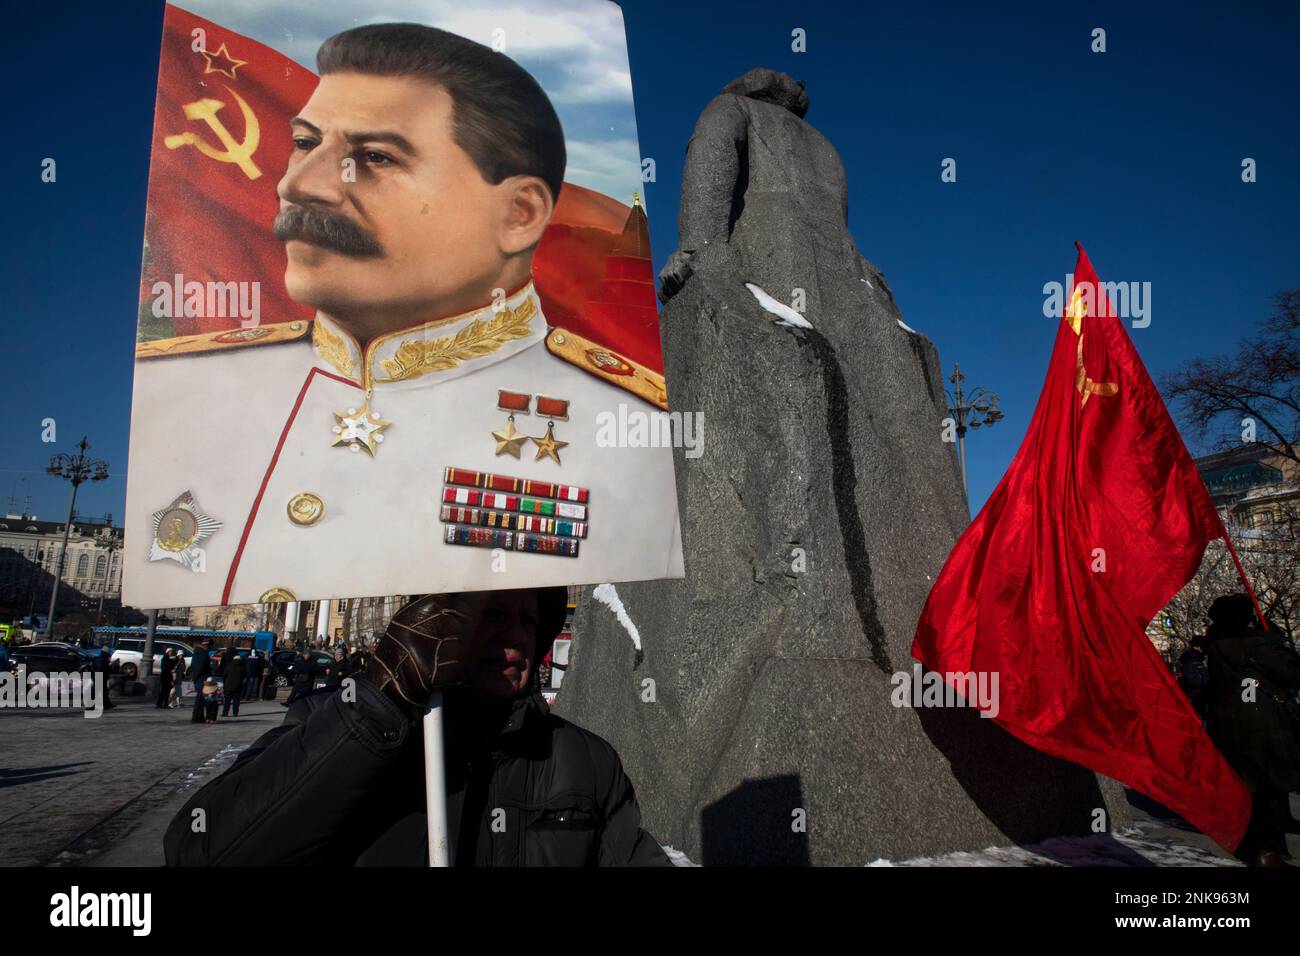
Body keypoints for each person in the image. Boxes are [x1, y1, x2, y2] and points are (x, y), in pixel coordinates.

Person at [123, 21, 680, 611]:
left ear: (519, 214)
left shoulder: (627, 430)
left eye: (374, 156)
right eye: (306, 143)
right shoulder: (173, 387)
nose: (298, 184)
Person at [164, 587, 669, 866]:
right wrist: (381, 703)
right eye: (491, 613)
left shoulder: (584, 759)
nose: (514, 635)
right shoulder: (336, 724)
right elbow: (205, 851)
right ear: (437, 624)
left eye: (527, 620)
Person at [1202, 593, 1300, 867]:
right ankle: (1267, 852)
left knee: (1251, 789)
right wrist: (1275, 640)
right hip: (1264, 728)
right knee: (1269, 791)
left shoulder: (1217, 646)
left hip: (1229, 728)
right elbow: (1292, 673)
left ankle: (1268, 848)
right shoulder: (1257, 645)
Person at [1178, 634, 1210, 717]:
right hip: (1197, 699)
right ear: (1196, 646)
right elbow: (1191, 680)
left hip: (1201, 698)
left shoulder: (1198, 659)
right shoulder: (1189, 660)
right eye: (1203, 646)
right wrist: (1208, 681)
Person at [188, 640, 212, 724]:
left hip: (199, 679)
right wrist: (195, 677)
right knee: (200, 700)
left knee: (201, 699)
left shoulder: (197, 652)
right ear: (206, 646)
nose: (210, 648)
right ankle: (196, 717)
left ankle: (200, 717)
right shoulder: (203, 654)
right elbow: (200, 667)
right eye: (210, 646)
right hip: (202, 679)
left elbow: (193, 666)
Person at [222, 651, 245, 718]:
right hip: (238, 686)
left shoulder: (228, 666)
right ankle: (235, 712)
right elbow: (244, 676)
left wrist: (225, 683)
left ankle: (225, 712)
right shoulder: (242, 668)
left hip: (228, 686)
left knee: (227, 701)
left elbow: (224, 676)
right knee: (236, 701)